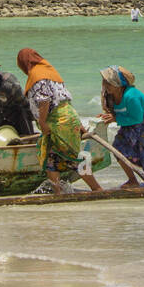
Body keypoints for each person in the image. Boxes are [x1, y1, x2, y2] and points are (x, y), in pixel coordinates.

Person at [17, 48, 103, 194]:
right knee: (50, 157)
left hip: (59, 123)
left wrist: (43, 123)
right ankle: (58, 192)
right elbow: (64, 100)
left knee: (73, 158)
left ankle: (97, 189)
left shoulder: (37, 74)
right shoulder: (50, 72)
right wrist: (79, 124)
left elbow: (44, 100)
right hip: (67, 118)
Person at [99, 66, 144, 186]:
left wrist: (115, 119)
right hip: (131, 124)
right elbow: (117, 111)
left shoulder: (131, 96)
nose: (105, 85)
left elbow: (137, 118)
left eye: (108, 82)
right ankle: (132, 180)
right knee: (118, 148)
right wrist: (108, 116)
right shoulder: (109, 95)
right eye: (104, 82)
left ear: (118, 84)